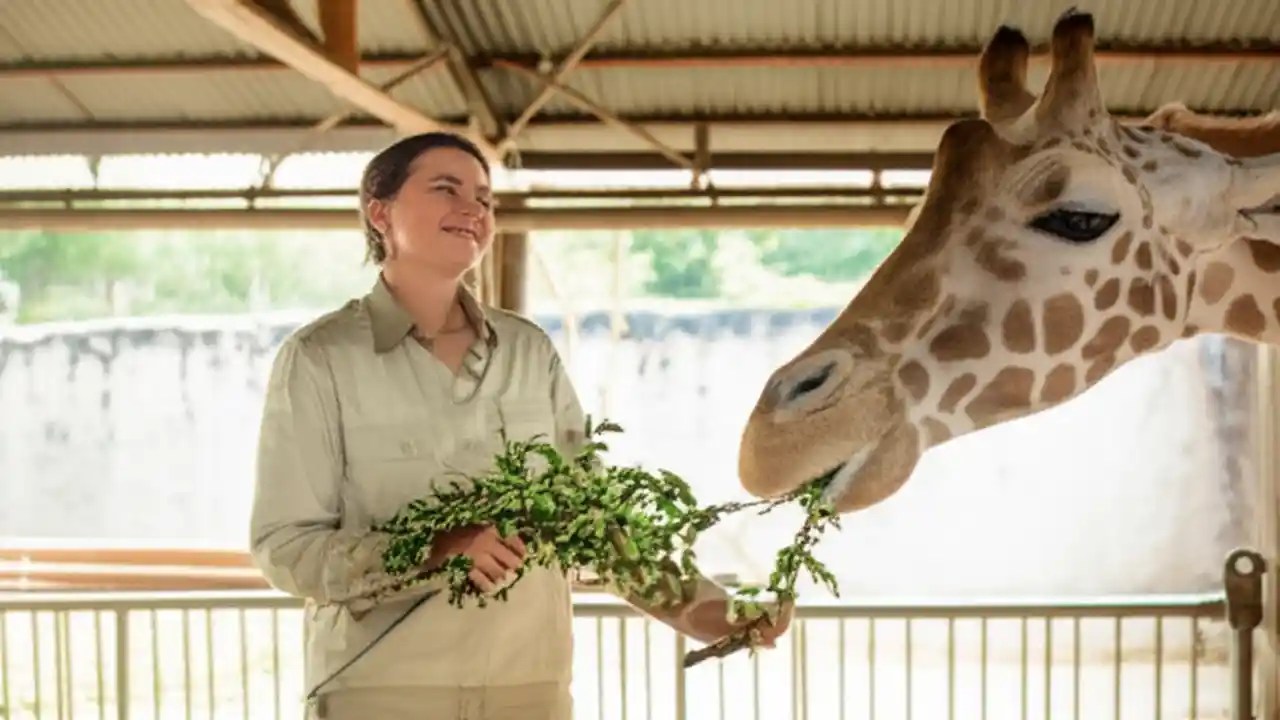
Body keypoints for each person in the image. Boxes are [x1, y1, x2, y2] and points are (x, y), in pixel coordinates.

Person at [248, 131, 793, 720]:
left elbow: (592, 519)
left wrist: (711, 611)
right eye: (445, 189)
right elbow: (287, 547)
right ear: (379, 212)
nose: (473, 210)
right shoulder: (321, 359)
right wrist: (433, 550)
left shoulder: (529, 352)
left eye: (484, 198)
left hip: (530, 691)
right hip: (383, 694)